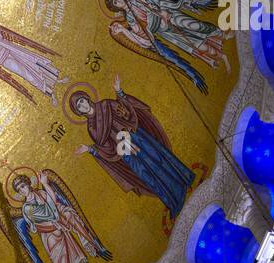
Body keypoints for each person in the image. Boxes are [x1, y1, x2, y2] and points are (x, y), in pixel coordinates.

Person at [72, 76, 196, 218]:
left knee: (158, 160)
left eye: (82, 101)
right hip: (125, 153)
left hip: (136, 137)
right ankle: (174, 201)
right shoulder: (91, 127)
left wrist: (119, 92)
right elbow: (106, 148)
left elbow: (125, 111)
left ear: (87, 98)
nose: (83, 106)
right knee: (148, 177)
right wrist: (90, 149)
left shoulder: (105, 105)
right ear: (79, 112)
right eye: (79, 106)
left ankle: (182, 180)